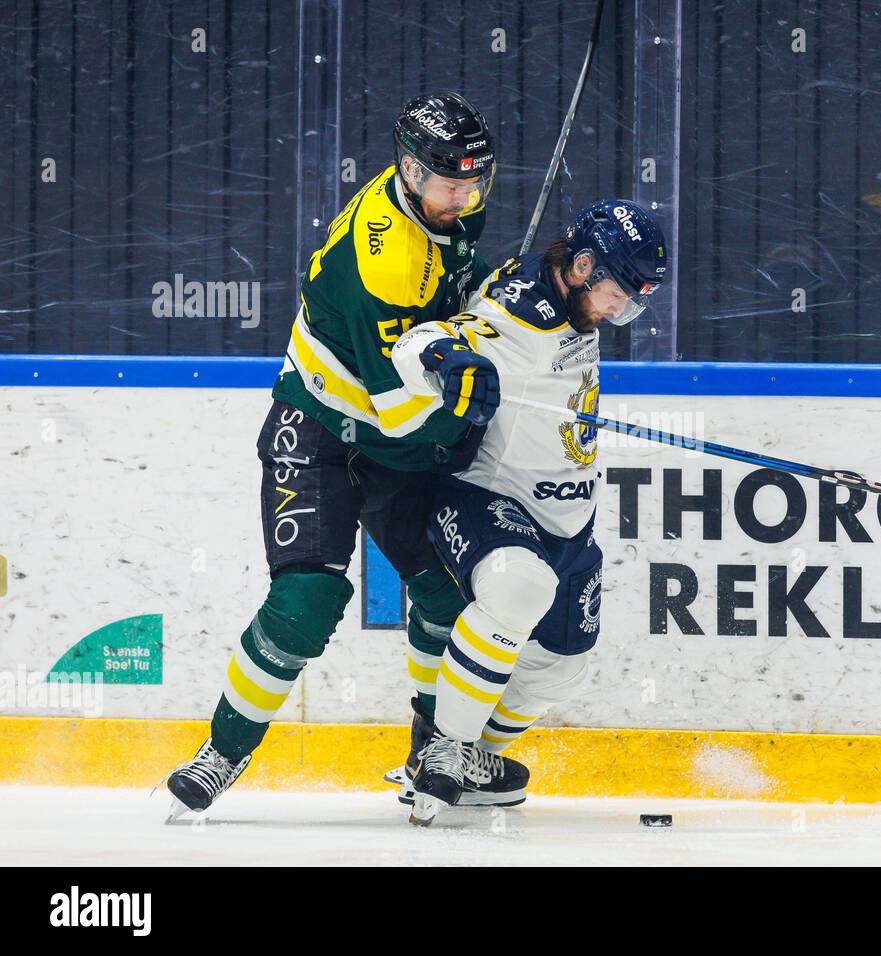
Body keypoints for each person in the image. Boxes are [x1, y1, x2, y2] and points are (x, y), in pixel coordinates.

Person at [167, 92, 528, 815]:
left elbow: (449, 299)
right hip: (324, 428)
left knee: (447, 594)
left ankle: (433, 752)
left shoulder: (447, 203)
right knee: (306, 602)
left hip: (390, 431)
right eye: (452, 183)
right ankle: (222, 752)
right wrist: (463, 407)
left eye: (474, 182)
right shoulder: (386, 263)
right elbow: (397, 411)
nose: (465, 197)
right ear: (408, 170)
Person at [388, 199, 668, 824]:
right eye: (621, 290)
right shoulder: (521, 313)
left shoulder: (572, 305)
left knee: (563, 668)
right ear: (583, 265)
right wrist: (446, 359)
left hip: (570, 518)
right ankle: (444, 749)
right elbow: (417, 344)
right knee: (519, 589)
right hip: (490, 494)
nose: (623, 306)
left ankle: (481, 759)